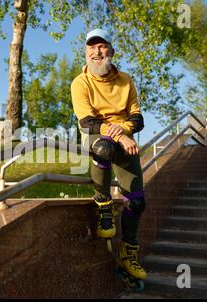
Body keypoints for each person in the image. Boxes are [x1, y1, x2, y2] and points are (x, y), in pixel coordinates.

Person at [71, 28, 147, 281]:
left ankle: (129, 252)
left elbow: (137, 117)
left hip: (122, 136)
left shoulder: (126, 80)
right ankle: (103, 203)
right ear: (86, 53)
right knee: (104, 146)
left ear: (111, 52)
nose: (96, 52)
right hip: (97, 135)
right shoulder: (80, 83)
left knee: (137, 201)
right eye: (91, 48)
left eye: (102, 46)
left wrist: (123, 131)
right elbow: (88, 122)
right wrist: (118, 135)